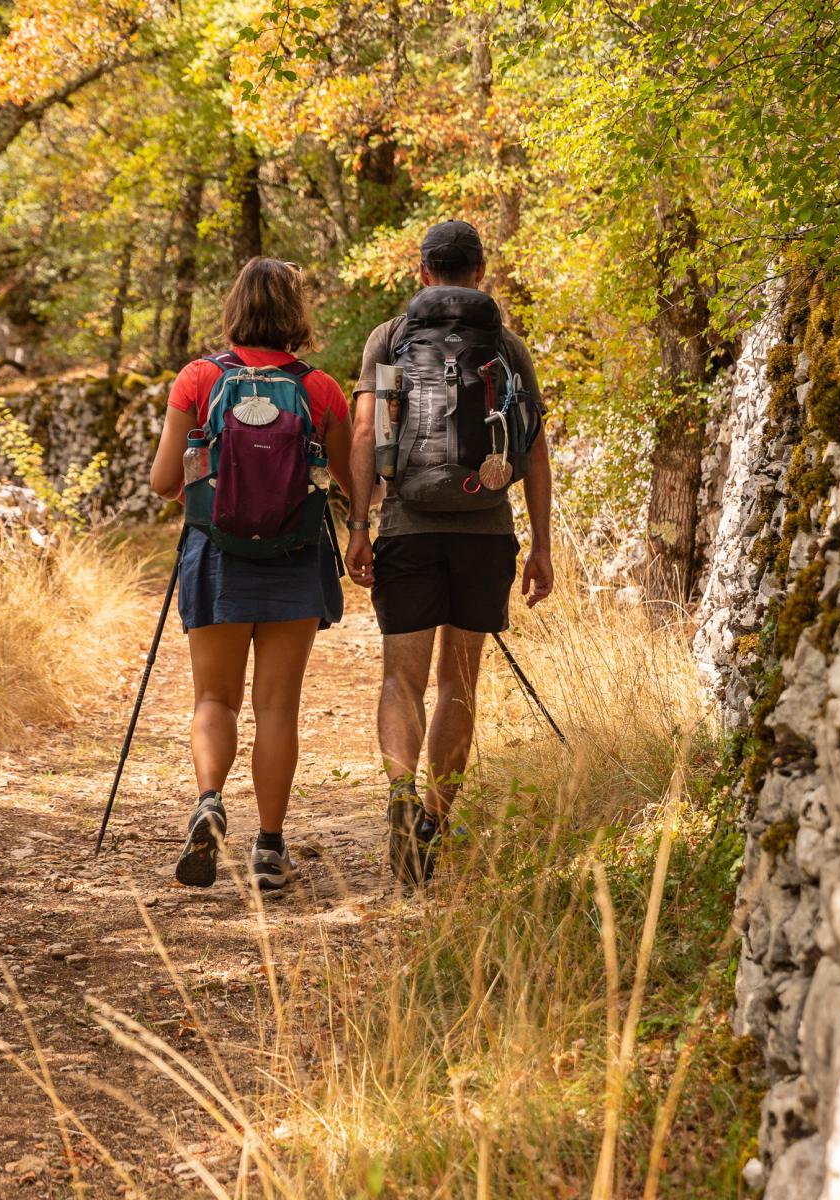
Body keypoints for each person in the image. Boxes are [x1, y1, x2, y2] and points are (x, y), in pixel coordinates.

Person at [346, 220, 554, 884]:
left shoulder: (390, 338)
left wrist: (358, 524)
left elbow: (364, 433)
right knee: (458, 684)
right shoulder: (507, 345)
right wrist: (541, 545)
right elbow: (534, 449)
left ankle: (400, 795)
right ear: (481, 272)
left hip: (407, 527)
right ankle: (433, 824)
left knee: (399, 679)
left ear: (422, 272)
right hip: (485, 531)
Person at [149, 257, 353, 891]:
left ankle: (209, 802)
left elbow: (162, 482)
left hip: (217, 558)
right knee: (276, 708)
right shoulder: (320, 389)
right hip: (294, 559)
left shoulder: (199, 378)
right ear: (296, 313)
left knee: (214, 700)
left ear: (235, 306)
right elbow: (352, 483)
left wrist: (212, 489)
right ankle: (268, 849)